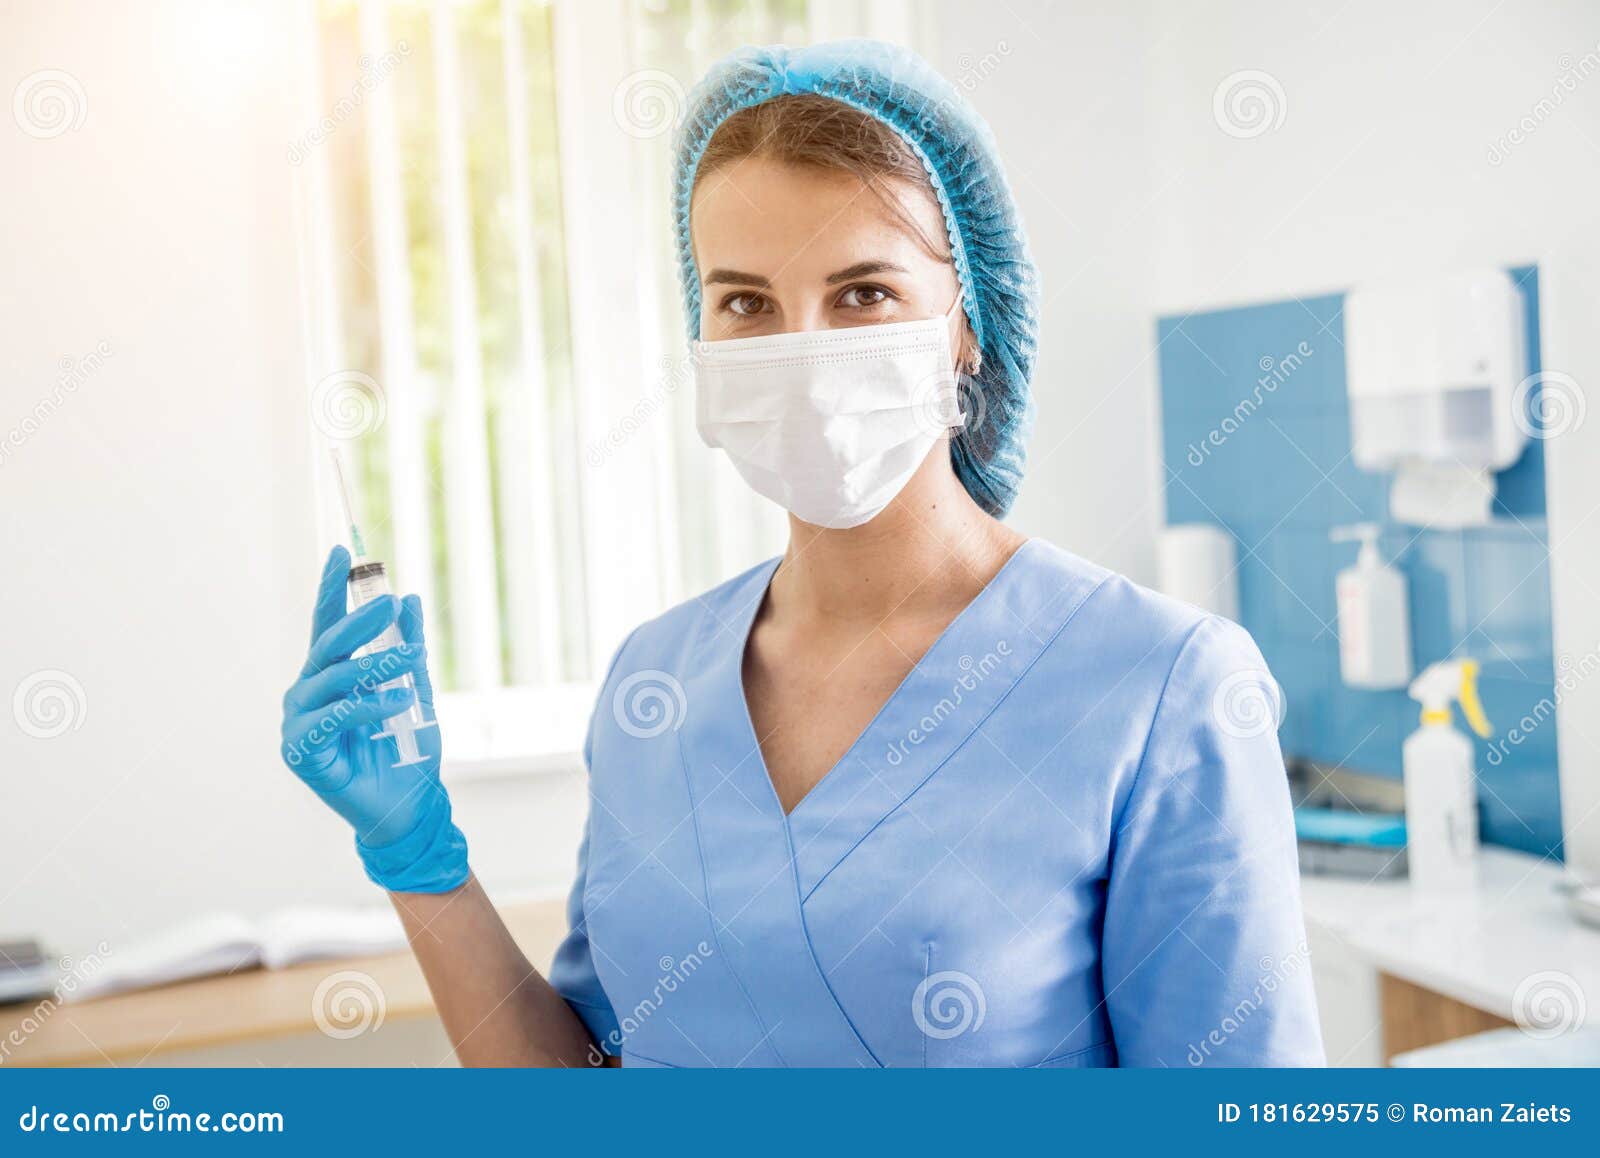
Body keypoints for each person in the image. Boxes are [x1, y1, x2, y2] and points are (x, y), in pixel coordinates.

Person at [279, 40, 1323, 1068]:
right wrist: (418, 856)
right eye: (747, 302)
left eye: (863, 293)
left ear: (967, 323)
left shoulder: (1160, 685)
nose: (804, 352)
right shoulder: (654, 683)